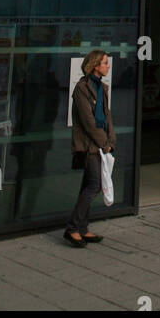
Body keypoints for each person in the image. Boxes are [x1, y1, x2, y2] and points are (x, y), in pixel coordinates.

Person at [64, 49, 114, 247]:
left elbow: (106, 116)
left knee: (88, 185)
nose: (107, 66)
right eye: (105, 63)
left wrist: (111, 140)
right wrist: (104, 142)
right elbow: (88, 121)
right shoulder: (82, 88)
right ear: (95, 65)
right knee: (94, 185)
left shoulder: (102, 87)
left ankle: (82, 228)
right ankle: (72, 228)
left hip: (100, 144)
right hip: (88, 145)